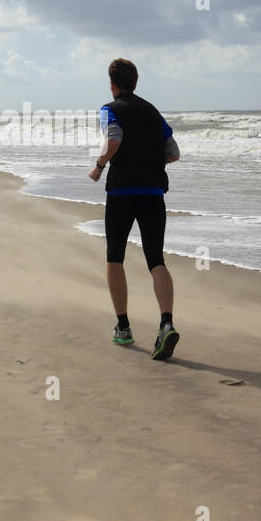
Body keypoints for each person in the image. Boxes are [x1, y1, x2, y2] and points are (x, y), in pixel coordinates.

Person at [89, 58, 182, 360]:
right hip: (153, 192)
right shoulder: (152, 111)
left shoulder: (110, 109)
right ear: (136, 82)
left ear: (112, 84)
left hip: (121, 192)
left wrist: (99, 166)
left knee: (115, 257)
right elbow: (173, 153)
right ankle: (166, 324)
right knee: (156, 259)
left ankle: (124, 327)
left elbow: (114, 140)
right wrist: (148, 161)